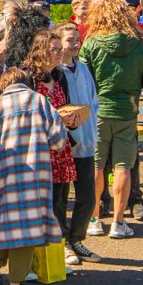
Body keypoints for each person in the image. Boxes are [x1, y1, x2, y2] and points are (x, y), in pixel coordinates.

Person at [0, 67, 68, 285]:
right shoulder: (41, 102)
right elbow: (59, 141)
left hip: (2, 179)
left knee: (4, 224)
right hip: (34, 178)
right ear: (27, 83)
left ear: (4, 86)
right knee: (26, 233)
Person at [80, 0, 143, 239]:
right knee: (123, 166)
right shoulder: (141, 45)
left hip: (97, 112)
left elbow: (84, 79)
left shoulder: (91, 43)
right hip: (127, 111)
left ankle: (93, 219)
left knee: (96, 165)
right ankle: (118, 221)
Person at [24, 30, 86, 256]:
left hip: (60, 148)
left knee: (59, 201)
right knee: (39, 201)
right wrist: (53, 118)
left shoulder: (60, 77)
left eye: (61, 49)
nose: (60, 53)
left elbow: (65, 108)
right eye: (55, 49)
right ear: (41, 51)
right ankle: (37, 251)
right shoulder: (28, 78)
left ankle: (59, 248)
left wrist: (73, 119)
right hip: (38, 150)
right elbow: (24, 115)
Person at [56, 24, 101, 263]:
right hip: (64, 143)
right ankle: (62, 242)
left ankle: (77, 238)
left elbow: (93, 104)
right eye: (70, 40)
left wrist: (92, 134)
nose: (75, 44)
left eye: (77, 39)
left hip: (86, 141)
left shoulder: (84, 69)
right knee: (61, 196)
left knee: (87, 194)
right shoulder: (57, 72)